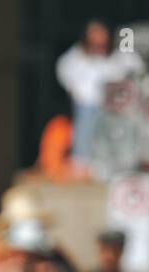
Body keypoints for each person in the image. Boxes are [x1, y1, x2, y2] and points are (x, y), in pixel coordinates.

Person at [55, 19, 140, 168]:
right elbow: (65, 72)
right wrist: (75, 91)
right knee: (86, 122)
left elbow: (134, 66)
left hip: (114, 107)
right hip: (87, 105)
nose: (99, 40)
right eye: (95, 35)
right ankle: (81, 160)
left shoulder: (118, 55)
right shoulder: (75, 57)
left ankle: (119, 161)